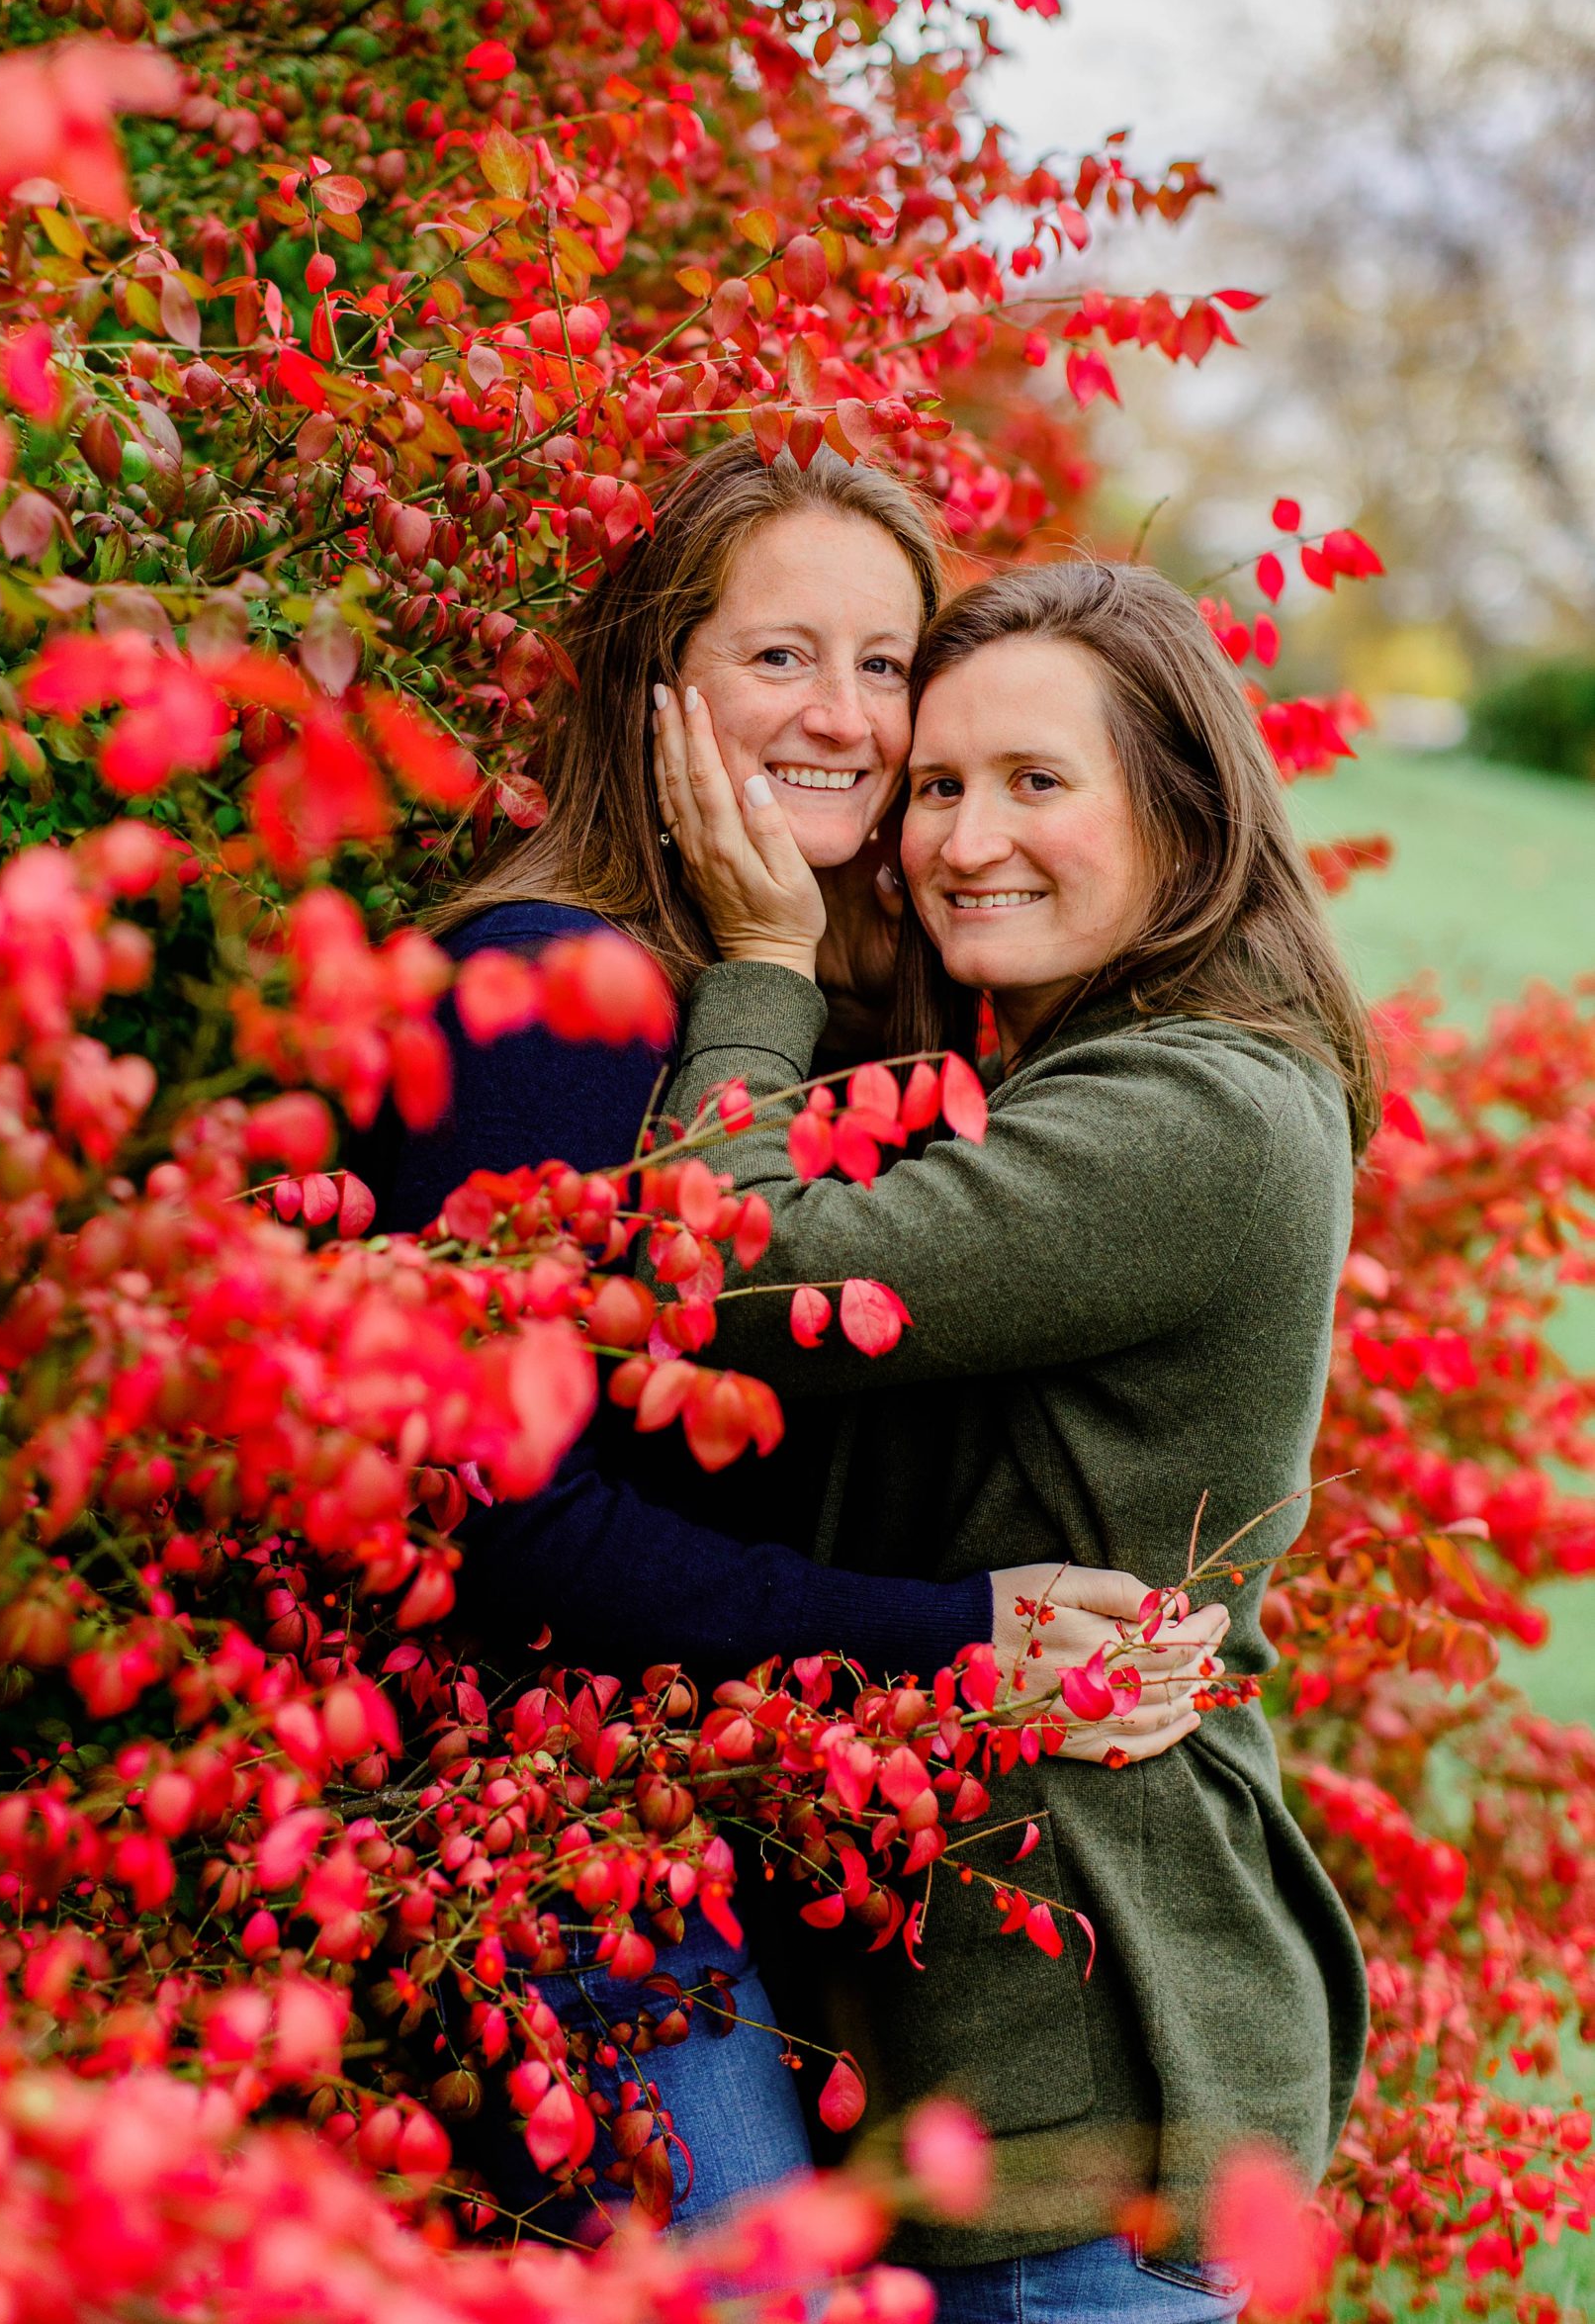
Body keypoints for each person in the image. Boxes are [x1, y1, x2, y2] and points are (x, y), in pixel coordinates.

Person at [362, 451, 1229, 2243]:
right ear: (648, 684)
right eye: (781, 660)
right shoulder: (539, 987)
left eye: (887, 662)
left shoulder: (795, 1011)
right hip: (545, 1859)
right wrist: (958, 1644)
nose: (847, 718)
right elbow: (508, 1530)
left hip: (707, 1832)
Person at [651, 557, 1376, 2318]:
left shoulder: (1203, 1112)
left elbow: (728, 1286)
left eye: (1039, 782)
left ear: (1189, 824)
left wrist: (762, 961)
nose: (967, 838)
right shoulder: (1063, 1074)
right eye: (939, 787)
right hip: (979, 2057)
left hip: (1085, 2089)